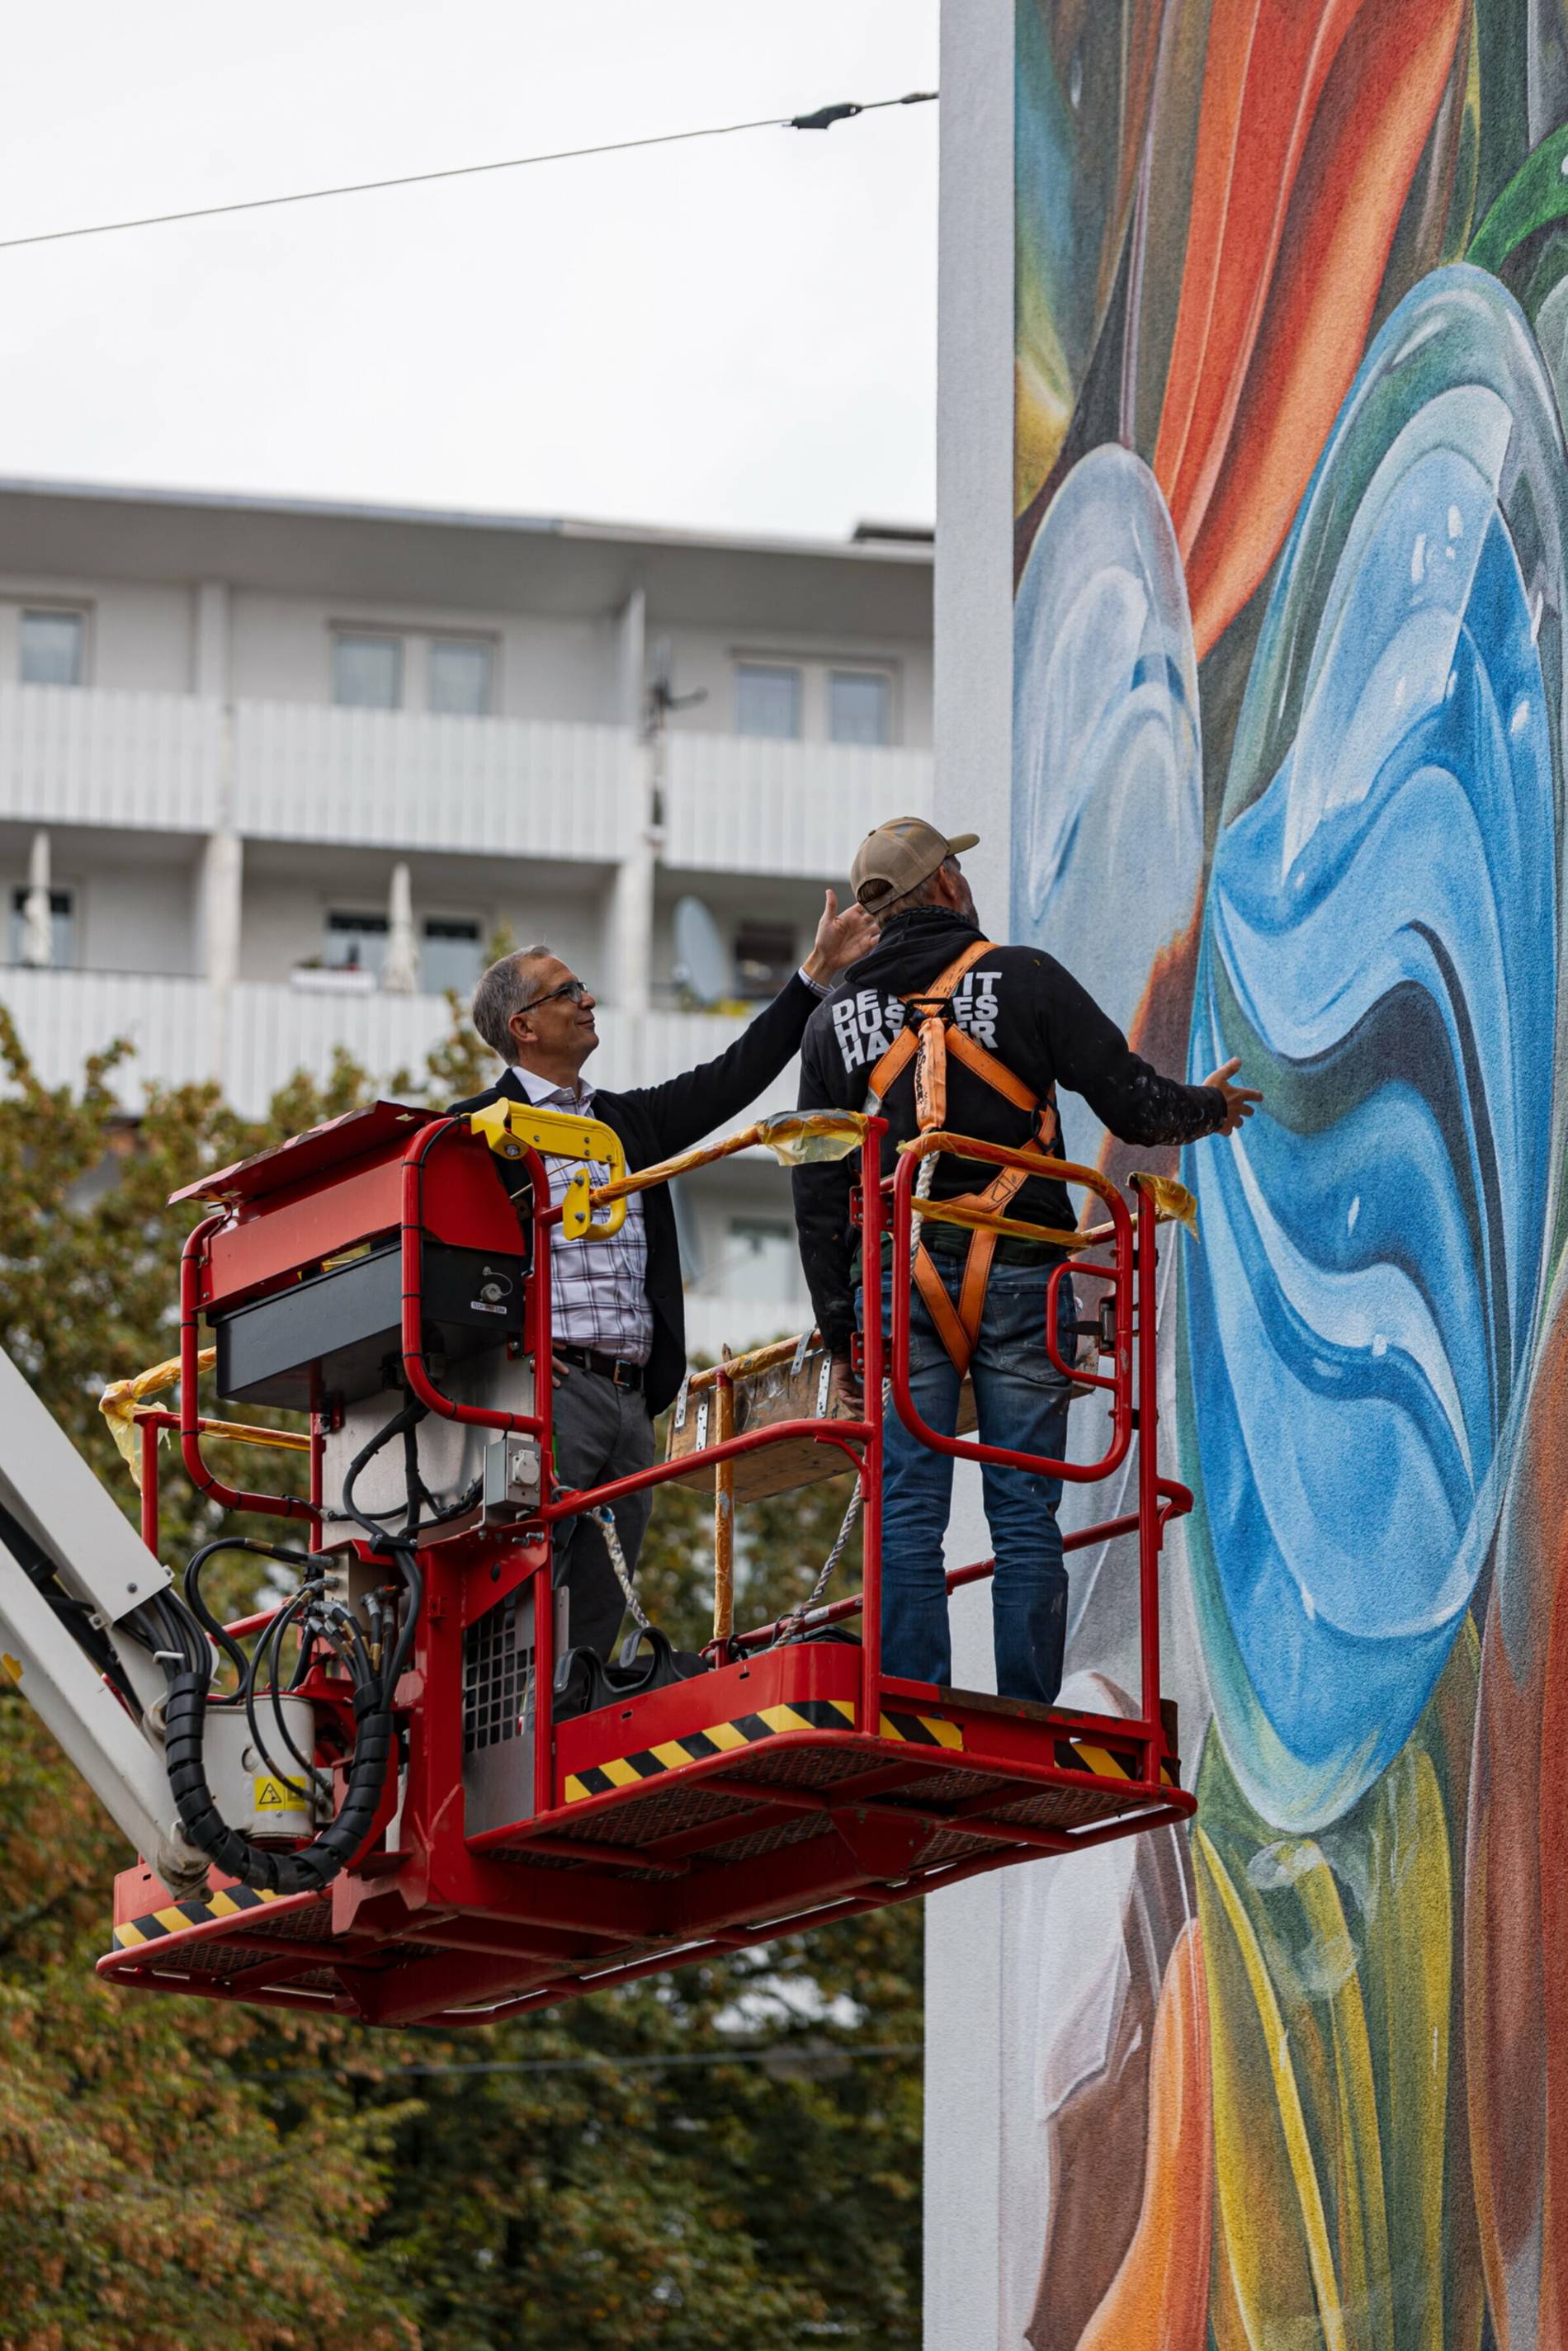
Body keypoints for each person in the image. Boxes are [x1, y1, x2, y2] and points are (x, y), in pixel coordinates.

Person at [791, 816, 1259, 1706]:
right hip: (1023, 1271)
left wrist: (843, 1328)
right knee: (1024, 1506)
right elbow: (1132, 1104)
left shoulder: (832, 1025)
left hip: (900, 1280)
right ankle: (1025, 1711)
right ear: (947, 886)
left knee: (908, 1506)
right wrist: (1208, 1106)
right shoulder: (1023, 977)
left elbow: (818, 1192)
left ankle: (913, 1702)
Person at [453, 890, 876, 1660]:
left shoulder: (626, 1121)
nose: (588, 1000)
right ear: (523, 1027)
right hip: (541, 1391)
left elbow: (731, 1078)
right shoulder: (473, 1131)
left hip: (628, 1400)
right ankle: (505, 1747)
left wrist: (816, 970)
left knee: (593, 1614)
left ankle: (564, 1735)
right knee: (516, 1599)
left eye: (583, 988)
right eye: (567, 992)